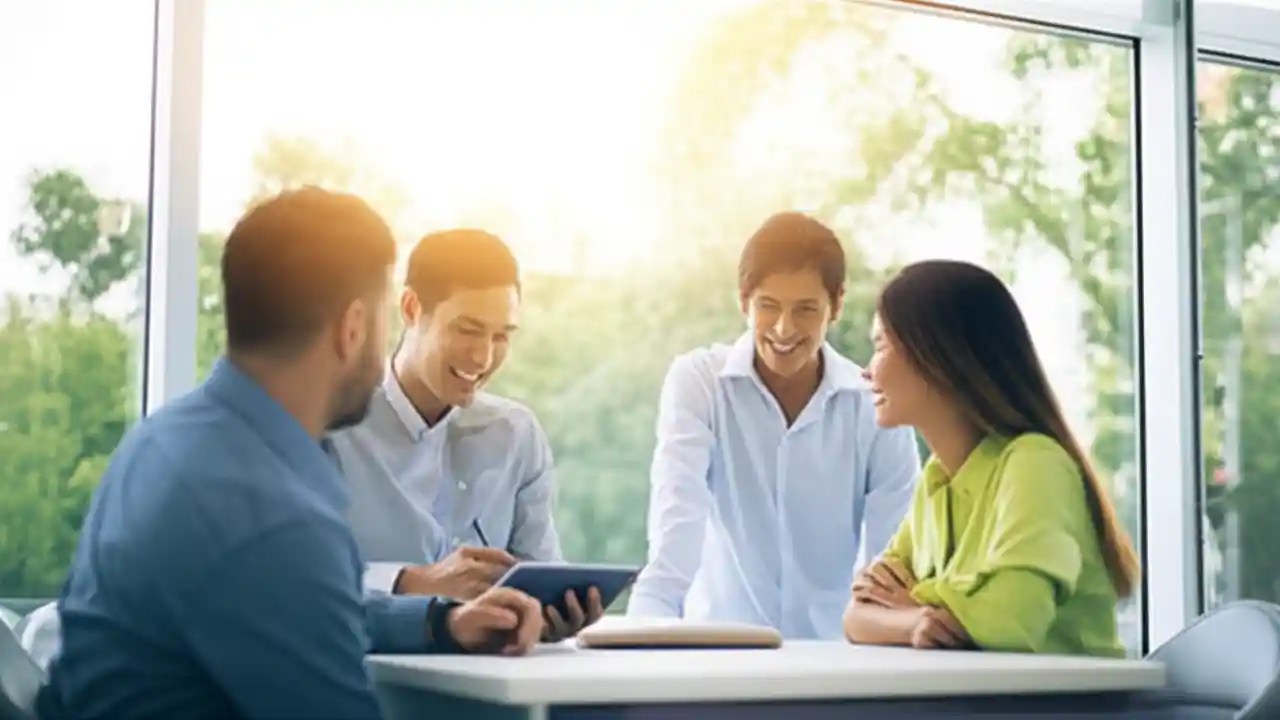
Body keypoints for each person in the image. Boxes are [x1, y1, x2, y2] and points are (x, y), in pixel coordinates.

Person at [37, 188, 545, 720]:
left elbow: (294, 606)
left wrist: (440, 623)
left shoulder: (164, 442)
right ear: (352, 329)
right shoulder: (272, 511)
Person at [626, 212, 921, 639]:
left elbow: (890, 566)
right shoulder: (700, 384)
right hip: (718, 658)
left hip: (833, 665)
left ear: (836, 305)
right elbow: (675, 536)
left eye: (806, 310)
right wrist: (637, 645)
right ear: (744, 301)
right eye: (768, 306)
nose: (784, 329)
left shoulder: (873, 404)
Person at [843, 259, 1140, 657]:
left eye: (880, 346)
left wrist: (914, 599)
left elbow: (1012, 620)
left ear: (938, 355)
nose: (867, 371)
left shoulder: (1035, 463)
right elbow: (856, 616)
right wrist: (918, 621)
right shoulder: (937, 479)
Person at [326, 228, 603, 642]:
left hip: (493, 690)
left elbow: (540, 569)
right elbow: (294, 583)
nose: (484, 357)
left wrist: (551, 615)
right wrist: (411, 582)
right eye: (468, 329)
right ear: (411, 308)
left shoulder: (516, 435)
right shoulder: (331, 423)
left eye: (501, 335)